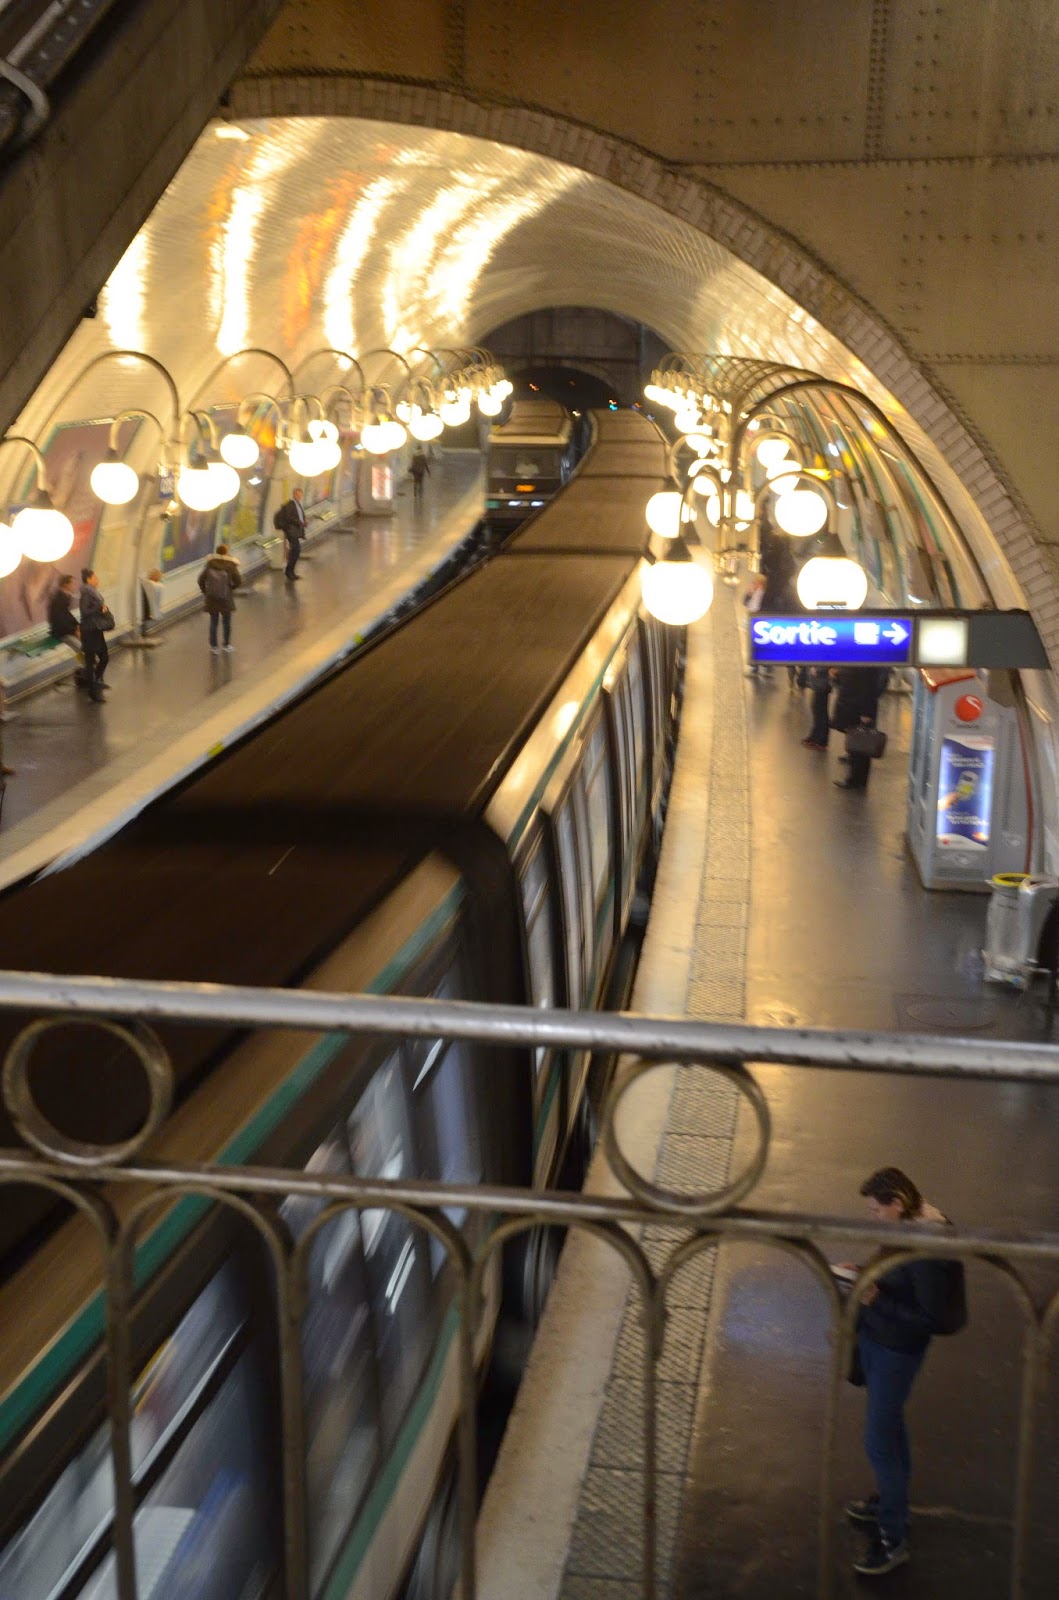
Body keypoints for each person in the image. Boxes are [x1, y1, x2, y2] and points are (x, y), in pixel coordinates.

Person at [843, 1167, 965, 1578]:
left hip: (897, 1350)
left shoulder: (925, 1244)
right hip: (882, 1339)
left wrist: (877, 1298)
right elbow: (898, 1277)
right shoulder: (908, 1225)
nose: (873, 1217)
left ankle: (893, 1539)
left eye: (877, 1210)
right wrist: (863, 1274)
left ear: (898, 1202)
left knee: (878, 1441)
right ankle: (891, 1503)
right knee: (890, 1427)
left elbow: (928, 1315)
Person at [830, 665, 887, 790]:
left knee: (860, 744)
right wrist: (837, 676)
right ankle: (857, 779)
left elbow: (869, 688)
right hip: (852, 706)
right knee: (857, 742)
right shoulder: (860, 663)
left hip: (858, 708)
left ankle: (855, 780)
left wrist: (866, 712)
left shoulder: (867, 666)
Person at [197, 542, 242, 653]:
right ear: (226, 552)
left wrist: (205, 591)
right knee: (226, 622)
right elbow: (238, 580)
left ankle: (214, 647)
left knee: (213, 622)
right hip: (226, 597)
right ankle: (226, 645)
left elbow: (200, 580)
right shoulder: (231, 565)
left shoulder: (210, 564)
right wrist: (231, 588)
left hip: (212, 597)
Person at [78, 568, 113, 703]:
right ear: (88, 579)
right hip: (89, 631)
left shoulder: (92, 592)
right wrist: (99, 607)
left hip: (95, 630)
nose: (97, 580)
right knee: (92, 660)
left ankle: (95, 681)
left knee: (103, 657)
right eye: (95, 577)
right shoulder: (87, 594)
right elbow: (85, 611)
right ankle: (93, 690)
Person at [47, 573, 86, 686]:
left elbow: (65, 614)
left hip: (66, 629)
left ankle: (86, 668)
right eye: (72, 583)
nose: (74, 585)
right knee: (81, 648)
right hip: (62, 632)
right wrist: (74, 629)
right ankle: (86, 671)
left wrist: (76, 626)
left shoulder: (63, 597)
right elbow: (59, 619)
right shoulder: (59, 599)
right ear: (66, 585)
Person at [275, 486, 306, 580]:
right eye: (298, 494)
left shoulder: (298, 504)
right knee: (296, 550)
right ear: (294, 494)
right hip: (291, 531)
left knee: (296, 550)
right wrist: (300, 522)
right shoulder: (290, 504)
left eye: (301, 494)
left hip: (295, 531)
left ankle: (291, 571)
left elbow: (298, 516)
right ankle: (289, 571)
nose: (299, 496)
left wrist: (303, 522)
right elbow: (289, 518)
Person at [801, 663, 832, 750]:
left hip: (823, 683)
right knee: (817, 709)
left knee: (820, 711)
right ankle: (815, 736)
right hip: (818, 683)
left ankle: (821, 740)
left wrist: (817, 669)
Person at [742, 573, 767, 676]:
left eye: (755, 583)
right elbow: (745, 602)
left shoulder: (763, 594)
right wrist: (749, 593)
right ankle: (756, 666)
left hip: (759, 622)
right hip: (752, 620)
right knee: (754, 645)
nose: (753, 584)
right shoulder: (754, 592)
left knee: (758, 645)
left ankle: (762, 666)